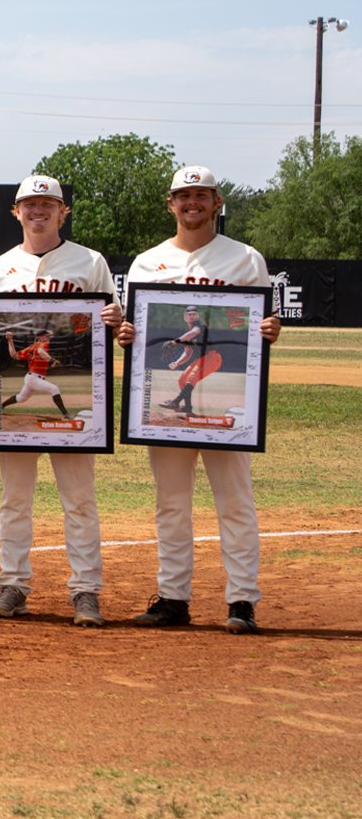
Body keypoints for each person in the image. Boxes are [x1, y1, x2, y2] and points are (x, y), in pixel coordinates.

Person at [117, 166, 282, 634]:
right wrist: (129, 334)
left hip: (228, 382)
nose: (192, 203)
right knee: (171, 502)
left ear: (217, 201)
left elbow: (261, 323)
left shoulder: (246, 258)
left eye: (201, 195)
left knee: (234, 500)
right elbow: (137, 329)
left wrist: (271, 328)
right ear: (171, 203)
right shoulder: (148, 263)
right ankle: (173, 598)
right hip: (167, 408)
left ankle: (242, 601)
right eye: (183, 196)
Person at [0, 175, 120, 628]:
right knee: (14, 498)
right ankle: (12, 585)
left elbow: (115, 323)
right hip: (18, 388)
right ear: (16, 212)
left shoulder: (90, 262)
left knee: (80, 499)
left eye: (48, 204)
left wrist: (115, 317)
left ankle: (85, 590)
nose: (38, 211)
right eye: (29, 204)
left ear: (62, 211)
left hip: (78, 384)